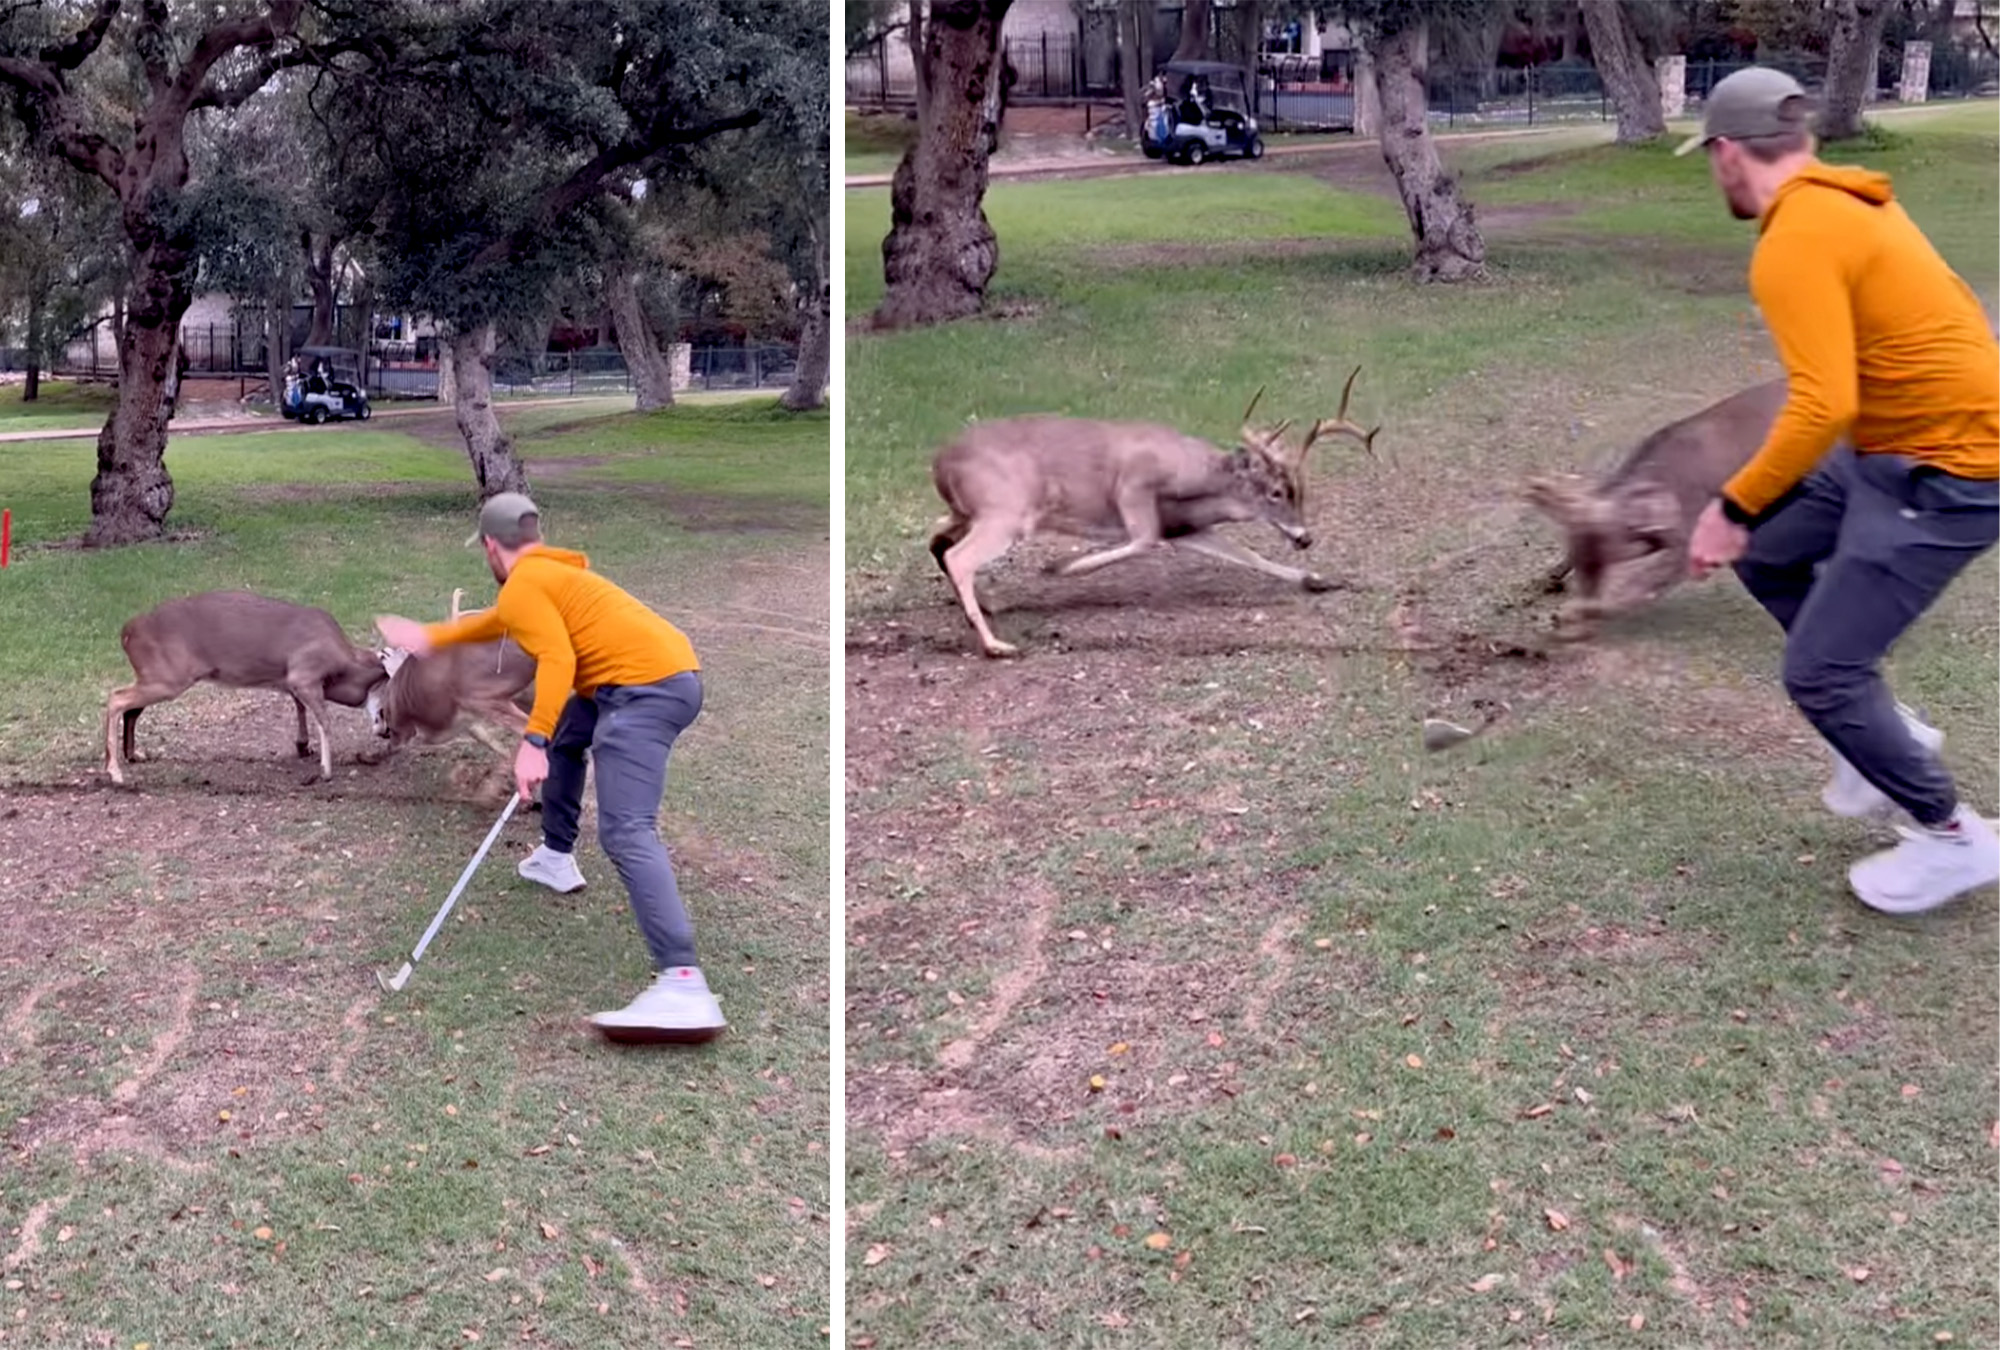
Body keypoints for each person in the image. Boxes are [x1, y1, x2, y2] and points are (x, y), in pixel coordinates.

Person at [1679, 67, 1999, 915]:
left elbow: (1823, 403)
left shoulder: (1795, 238)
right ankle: (1879, 737)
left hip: (1952, 471)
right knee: (1772, 551)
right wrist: (1755, 515)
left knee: (1820, 671)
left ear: (1725, 153)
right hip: (1890, 447)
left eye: (1709, 159)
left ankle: (1953, 836)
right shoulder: (1840, 202)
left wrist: (1729, 505)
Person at [375, 492, 724, 1040]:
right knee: (568, 741)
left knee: (626, 828)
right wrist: (429, 637)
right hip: (652, 675)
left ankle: (684, 984)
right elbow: (496, 622)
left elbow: (558, 658)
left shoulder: (526, 585)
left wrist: (530, 740)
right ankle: (556, 857)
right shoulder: (545, 576)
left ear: (491, 546)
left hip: (643, 690)